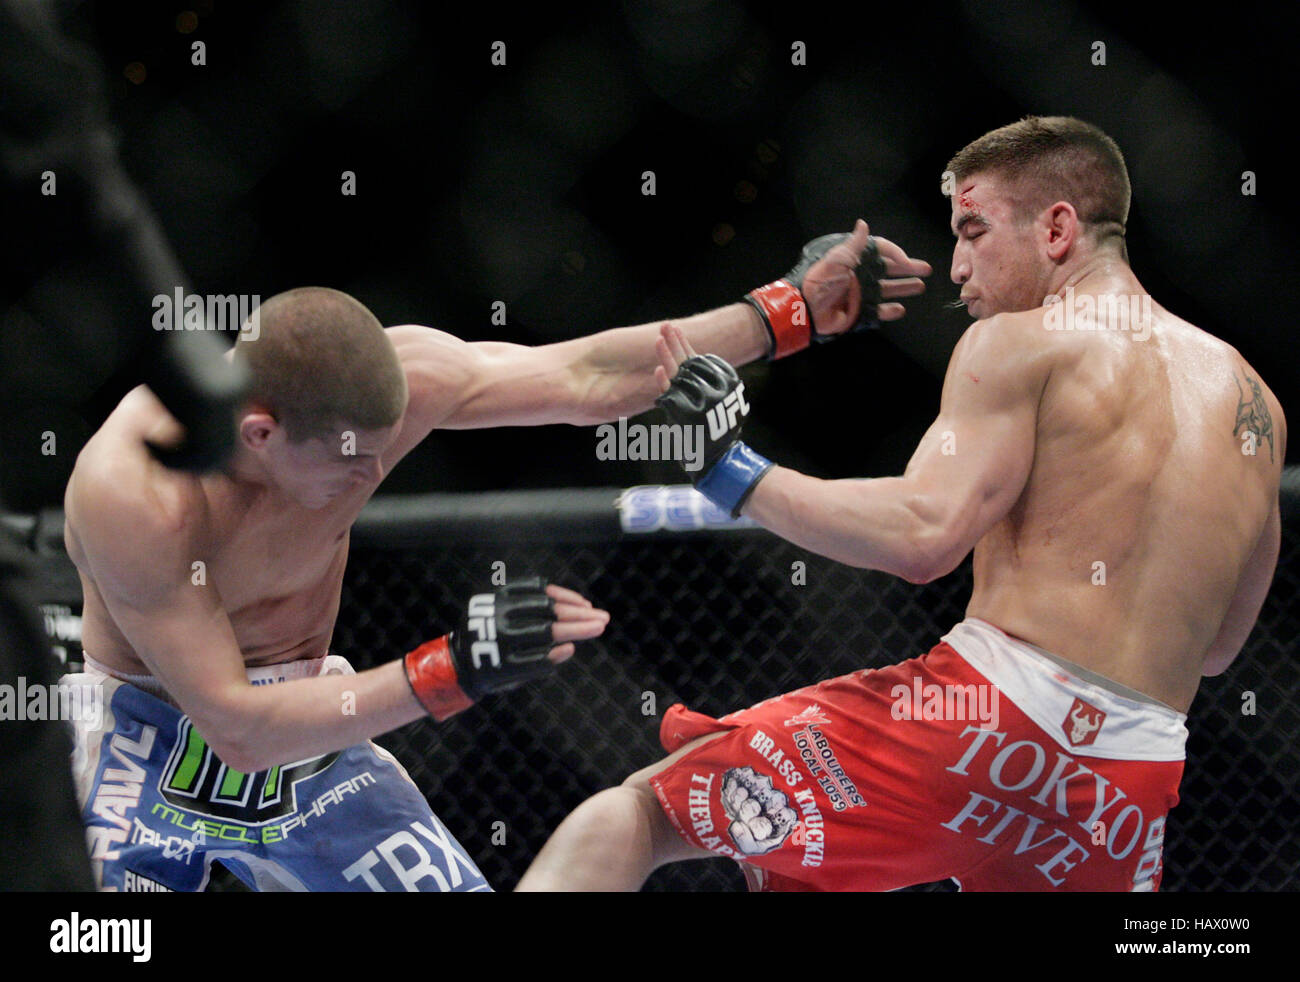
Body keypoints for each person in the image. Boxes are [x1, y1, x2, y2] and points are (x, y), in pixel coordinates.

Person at [516, 116, 1288, 892]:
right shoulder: (1254, 401)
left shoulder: (1024, 341)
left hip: (983, 724)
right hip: (1131, 778)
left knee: (645, 811)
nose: (956, 266)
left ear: (1057, 228)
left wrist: (728, 467)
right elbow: (1219, 646)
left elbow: (923, 534)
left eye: (974, 230)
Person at [61, 233, 931, 891]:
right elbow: (235, 731)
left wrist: (783, 314)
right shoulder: (137, 492)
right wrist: (451, 670)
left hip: (310, 716)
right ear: (259, 431)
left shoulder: (397, 385)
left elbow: (588, 374)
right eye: (351, 460)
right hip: (151, 726)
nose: (373, 476)